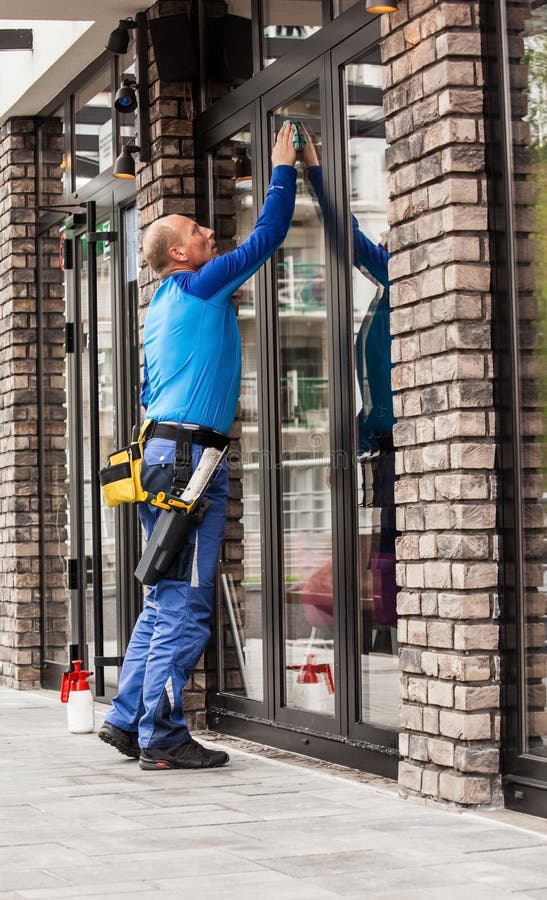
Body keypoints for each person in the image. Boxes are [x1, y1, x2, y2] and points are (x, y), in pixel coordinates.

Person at [98, 123, 297, 770]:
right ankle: (161, 735)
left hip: (164, 455)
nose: (211, 235)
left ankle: (127, 719)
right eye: (198, 233)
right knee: (184, 603)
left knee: (163, 595)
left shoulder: (160, 303)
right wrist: (281, 168)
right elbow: (268, 238)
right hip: (187, 464)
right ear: (180, 255)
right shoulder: (197, 284)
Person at [300, 128, 398, 649]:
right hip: (383, 446)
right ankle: (387, 632)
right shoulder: (389, 290)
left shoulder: (402, 278)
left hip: (400, 448)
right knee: (384, 547)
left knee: (390, 548)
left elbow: (348, 236)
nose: (386, 239)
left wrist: (316, 173)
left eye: (394, 232)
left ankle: (391, 633)